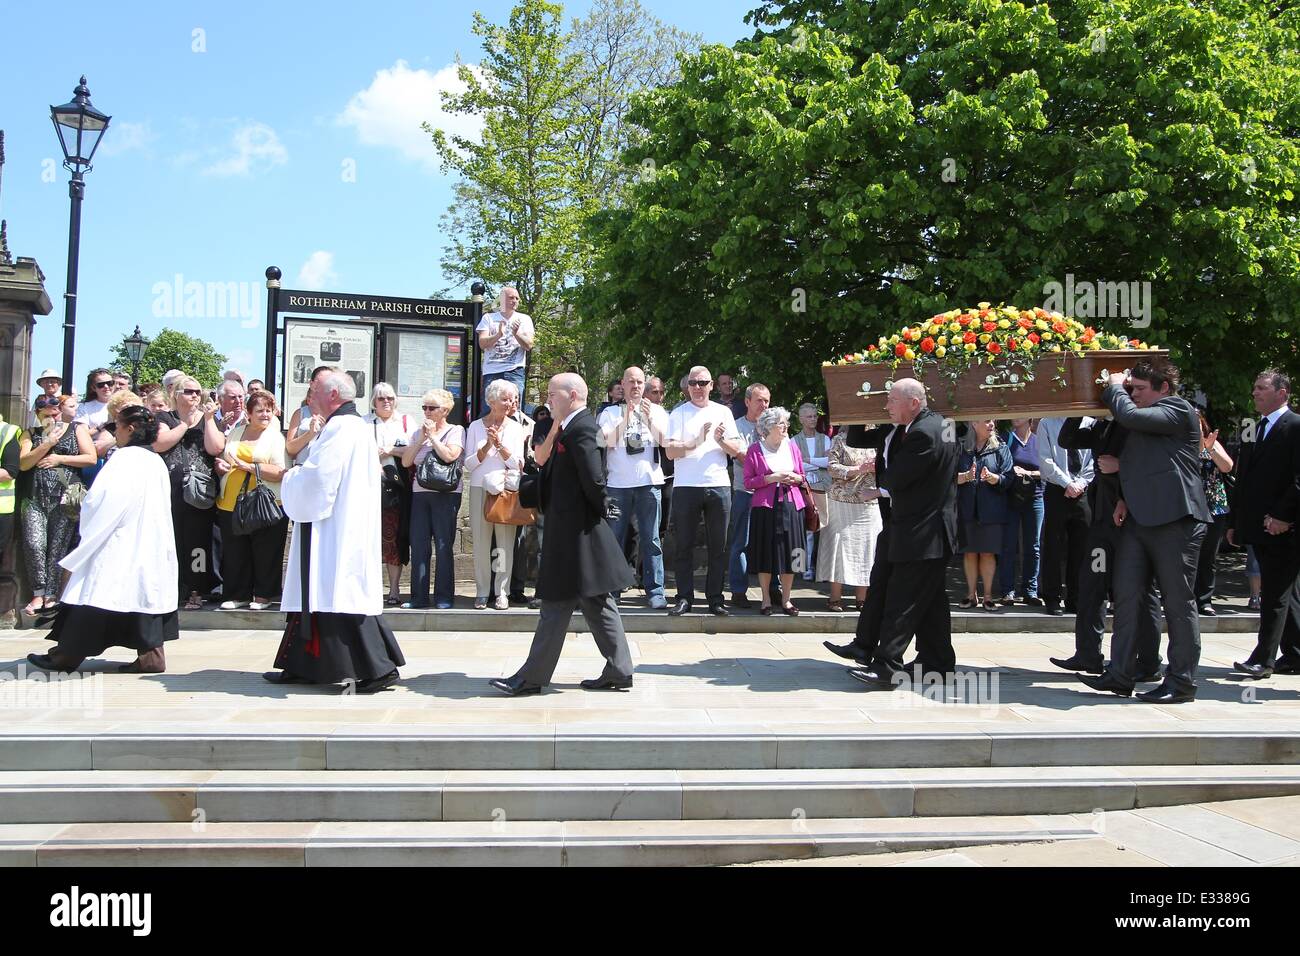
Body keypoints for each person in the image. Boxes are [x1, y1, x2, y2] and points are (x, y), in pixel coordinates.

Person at [489, 374, 634, 696]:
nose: (548, 399)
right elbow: (566, 478)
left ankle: (532, 677)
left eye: (552, 394)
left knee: (556, 604)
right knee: (597, 601)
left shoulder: (582, 427)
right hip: (575, 530)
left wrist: (599, 508)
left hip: (574, 533)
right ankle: (619, 669)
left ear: (571, 395)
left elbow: (593, 477)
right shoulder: (571, 426)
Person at [264, 371, 405, 693]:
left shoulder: (341, 429)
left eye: (313, 391)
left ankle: (377, 669)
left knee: (340, 594)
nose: (309, 397)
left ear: (331, 396)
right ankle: (301, 665)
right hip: (337, 523)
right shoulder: (349, 427)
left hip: (334, 528)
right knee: (320, 593)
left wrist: (290, 478)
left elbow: (319, 479)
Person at [1079, 360, 1211, 703]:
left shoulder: (1179, 410)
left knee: (1178, 604)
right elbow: (1145, 462)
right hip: (1140, 517)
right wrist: (1124, 498)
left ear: (1164, 388)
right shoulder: (1142, 417)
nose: (1132, 395)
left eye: (1138, 389)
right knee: (1126, 596)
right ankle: (1120, 674)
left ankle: (1180, 682)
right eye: (1130, 389)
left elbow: (1131, 417)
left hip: (1176, 520)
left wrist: (1113, 386)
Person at [27, 406, 179, 674]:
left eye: (117, 427)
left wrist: (86, 516)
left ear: (130, 429)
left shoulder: (123, 459)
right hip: (149, 541)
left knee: (94, 593)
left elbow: (103, 501)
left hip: (117, 541)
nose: (115, 433)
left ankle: (66, 656)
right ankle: (151, 656)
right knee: (143, 597)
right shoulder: (155, 460)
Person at [844, 379, 959, 688]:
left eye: (892, 400)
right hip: (932, 531)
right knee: (932, 602)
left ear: (913, 402)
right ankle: (938, 662)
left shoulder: (922, 433)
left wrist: (878, 489)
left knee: (903, 599)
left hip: (923, 532)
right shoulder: (943, 423)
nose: (886, 405)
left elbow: (900, 475)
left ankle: (887, 665)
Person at [1051, 413, 1163, 679]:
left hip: (1130, 520)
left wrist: (1121, 465)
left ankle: (1148, 661)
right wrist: (1079, 409)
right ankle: (1088, 654)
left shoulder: (1138, 424)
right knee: (1092, 583)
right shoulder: (1104, 425)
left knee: (1142, 590)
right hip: (1102, 520)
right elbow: (1067, 439)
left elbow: (1155, 464)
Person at [1229, 370, 1300, 678]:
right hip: (1260, 526)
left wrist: (1284, 516)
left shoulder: (1295, 426)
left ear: (1282, 393)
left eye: (1262, 388)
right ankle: (1295, 654)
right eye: (1254, 388)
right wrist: (1237, 522)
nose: (1255, 393)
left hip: (1285, 527)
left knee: (1274, 593)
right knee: (1286, 592)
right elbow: (1246, 478)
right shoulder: (1257, 427)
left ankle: (1264, 658)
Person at [665, 366, 744, 616]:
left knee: (718, 547)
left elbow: (737, 451)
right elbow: (670, 452)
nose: (698, 387)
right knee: (683, 546)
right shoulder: (678, 414)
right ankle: (684, 597)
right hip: (686, 486)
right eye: (693, 383)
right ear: (687, 386)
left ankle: (715, 599)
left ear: (712, 385)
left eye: (703, 383)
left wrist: (720, 441)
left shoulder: (723, 412)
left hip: (718, 484)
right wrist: (696, 441)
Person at [598, 366, 671, 609]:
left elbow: (665, 443)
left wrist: (648, 419)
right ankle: (613, 590)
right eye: (631, 382)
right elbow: (604, 441)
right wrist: (627, 417)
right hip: (618, 485)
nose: (636, 386)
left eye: (640, 382)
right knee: (615, 539)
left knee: (651, 539)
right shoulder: (609, 412)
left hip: (649, 483)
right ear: (623, 385)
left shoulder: (658, 411)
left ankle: (655, 591)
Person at [210, 391, 289, 611]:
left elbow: (282, 471)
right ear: (249, 413)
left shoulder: (275, 437)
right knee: (236, 551)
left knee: (266, 550)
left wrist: (251, 468)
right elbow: (225, 458)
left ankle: (264, 595)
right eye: (260, 410)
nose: (265, 415)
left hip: (264, 502)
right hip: (231, 501)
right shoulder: (235, 432)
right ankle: (238, 594)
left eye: (268, 410)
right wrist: (221, 466)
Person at [17, 395, 96, 615]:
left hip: (67, 494)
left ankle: (51, 595)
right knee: (34, 545)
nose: (52, 419)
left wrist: (59, 458)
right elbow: (24, 463)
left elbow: (90, 457)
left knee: (58, 547)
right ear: (38, 415)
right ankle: (37, 593)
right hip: (34, 496)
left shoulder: (76, 429)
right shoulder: (29, 434)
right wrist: (48, 443)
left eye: (55, 414)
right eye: (46, 416)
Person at [156, 376, 223, 610]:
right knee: (172, 542)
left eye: (197, 391)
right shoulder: (165, 418)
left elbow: (215, 448)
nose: (195, 395)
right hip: (171, 491)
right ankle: (174, 589)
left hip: (199, 492)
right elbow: (161, 443)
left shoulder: (206, 420)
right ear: (175, 393)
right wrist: (185, 424)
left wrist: (207, 419)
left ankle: (196, 590)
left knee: (198, 545)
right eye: (189, 391)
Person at [464, 378, 528, 609]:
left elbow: (517, 464)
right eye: (505, 398)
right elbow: (469, 465)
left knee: (503, 544)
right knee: (481, 543)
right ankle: (482, 591)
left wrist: (500, 445)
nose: (510, 402)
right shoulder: (474, 427)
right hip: (479, 488)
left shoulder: (516, 428)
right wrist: (487, 446)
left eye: (512, 398)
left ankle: (502, 591)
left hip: (504, 491)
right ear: (491, 400)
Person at [400, 388, 464, 609]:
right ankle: (418, 596)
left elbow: (450, 456)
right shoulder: (418, 433)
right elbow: (407, 461)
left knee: (444, 545)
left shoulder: (455, 430)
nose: (427, 412)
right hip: (420, 493)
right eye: (424, 407)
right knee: (419, 544)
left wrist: (434, 437)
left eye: (432, 408)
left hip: (446, 494)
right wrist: (420, 440)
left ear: (445, 410)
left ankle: (444, 596)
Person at [742, 406, 808, 615]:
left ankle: (787, 600)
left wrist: (795, 478)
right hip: (765, 507)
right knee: (765, 553)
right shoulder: (755, 449)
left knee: (794, 552)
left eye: (786, 423)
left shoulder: (792, 446)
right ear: (768, 427)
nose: (785, 427)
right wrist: (772, 478)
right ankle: (766, 600)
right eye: (781, 423)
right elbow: (748, 482)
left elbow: (802, 476)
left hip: (792, 505)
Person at [816, 426, 882, 612]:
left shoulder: (878, 439)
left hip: (868, 502)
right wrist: (858, 469)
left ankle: (862, 598)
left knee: (868, 549)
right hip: (841, 501)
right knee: (839, 549)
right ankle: (835, 598)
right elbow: (832, 467)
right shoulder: (840, 439)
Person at [1036, 415, 1094, 615]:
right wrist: (1066, 483)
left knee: (1081, 546)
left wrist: (1081, 483)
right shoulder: (1047, 423)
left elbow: (1092, 460)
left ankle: (1075, 597)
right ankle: (1051, 597)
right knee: (1053, 545)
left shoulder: (1089, 422)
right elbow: (1045, 459)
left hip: (1082, 490)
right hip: (1057, 489)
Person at [955, 419, 1014, 609]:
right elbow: (949, 476)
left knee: (988, 553)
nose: (991, 425)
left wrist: (994, 479)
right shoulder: (963, 447)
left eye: (993, 422)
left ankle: (988, 596)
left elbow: (1009, 478)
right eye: (987, 421)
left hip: (992, 510)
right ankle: (971, 595)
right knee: (969, 552)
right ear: (974, 423)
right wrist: (965, 477)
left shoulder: (1001, 448)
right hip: (967, 509)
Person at [364, 382, 414, 606]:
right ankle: (369, 589)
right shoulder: (363, 423)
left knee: (394, 538)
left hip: (397, 487)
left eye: (390, 398)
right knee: (367, 538)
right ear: (374, 401)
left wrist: (389, 450)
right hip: (367, 486)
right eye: (382, 398)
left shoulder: (405, 422)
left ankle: (394, 589)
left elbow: (414, 448)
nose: (386, 402)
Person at [726, 383, 771, 607]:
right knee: (740, 543)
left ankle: (773, 591)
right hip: (745, 491)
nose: (764, 405)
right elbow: (746, 459)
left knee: (772, 542)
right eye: (759, 400)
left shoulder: (774, 426)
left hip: (771, 493)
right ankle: (738, 591)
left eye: (767, 401)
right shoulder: (736, 427)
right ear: (747, 402)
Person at [998, 418, 1043, 605]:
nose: (1016, 417)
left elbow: (1047, 468)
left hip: (1035, 496)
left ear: (1029, 418)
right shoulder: (1006, 439)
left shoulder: (1038, 440)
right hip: (1011, 497)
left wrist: (1030, 473)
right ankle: (1007, 590)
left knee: (1033, 545)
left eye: (1021, 414)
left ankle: (1030, 590)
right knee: (1008, 545)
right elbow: (999, 465)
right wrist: (1012, 470)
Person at [1193, 410, 1234, 615]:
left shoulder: (1213, 443)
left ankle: (1204, 600)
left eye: (1197, 423)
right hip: (1189, 508)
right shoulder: (1180, 445)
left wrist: (1210, 450)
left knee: (1208, 556)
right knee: (1188, 555)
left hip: (1214, 507)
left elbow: (1227, 467)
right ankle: (1186, 597)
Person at [476, 285, 534, 410]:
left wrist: (516, 333)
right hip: (492, 371)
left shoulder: (525, 319)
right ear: (502, 299)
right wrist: (498, 335)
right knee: (488, 410)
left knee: (514, 411)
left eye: (517, 298)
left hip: (515, 371)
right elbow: (482, 343)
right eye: (511, 298)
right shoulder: (489, 318)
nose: (515, 301)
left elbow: (529, 345)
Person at [792, 403, 831, 582]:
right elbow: (796, 466)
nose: (813, 419)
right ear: (800, 419)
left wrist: (808, 460)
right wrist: (817, 462)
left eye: (815, 416)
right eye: (809, 416)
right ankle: (798, 567)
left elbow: (829, 462)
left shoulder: (825, 439)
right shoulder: (793, 441)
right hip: (802, 489)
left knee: (822, 529)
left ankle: (820, 569)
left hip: (823, 489)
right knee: (801, 530)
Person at [285, 366, 334, 465]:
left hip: (328, 471)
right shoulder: (300, 413)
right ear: (311, 384)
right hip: (302, 469)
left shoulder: (338, 413)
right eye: (320, 381)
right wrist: (310, 433)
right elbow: (290, 450)